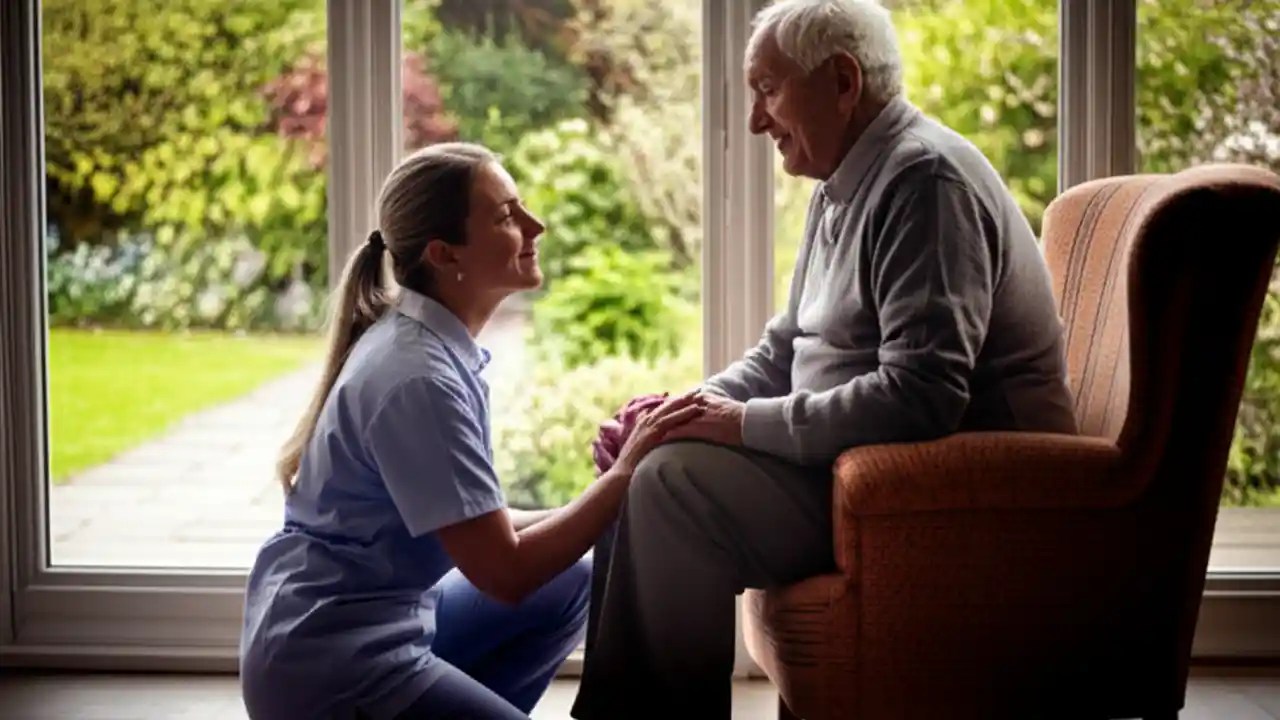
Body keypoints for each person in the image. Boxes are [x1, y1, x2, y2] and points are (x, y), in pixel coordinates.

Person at [571, 0, 1079, 717]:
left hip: (947, 489)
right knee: (644, 464)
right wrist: (674, 413)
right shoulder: (844, 182)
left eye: (768, 89)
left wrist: (735, 423)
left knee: (671, 484)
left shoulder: (926, 183)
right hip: (851, 471)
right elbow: (784, 351)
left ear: (843, 81)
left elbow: (921, 397)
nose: (756, 120)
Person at [238, 142, 707, 720]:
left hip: (382, 620)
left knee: (571, 583)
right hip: (335, 665)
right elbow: (505, 573)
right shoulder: (418, 379)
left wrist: (605, 496)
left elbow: (482, 527)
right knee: (544, 578)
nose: (535, 226)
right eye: (507, 215)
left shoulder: (427, 344)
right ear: (444, 254)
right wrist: (626, 475)